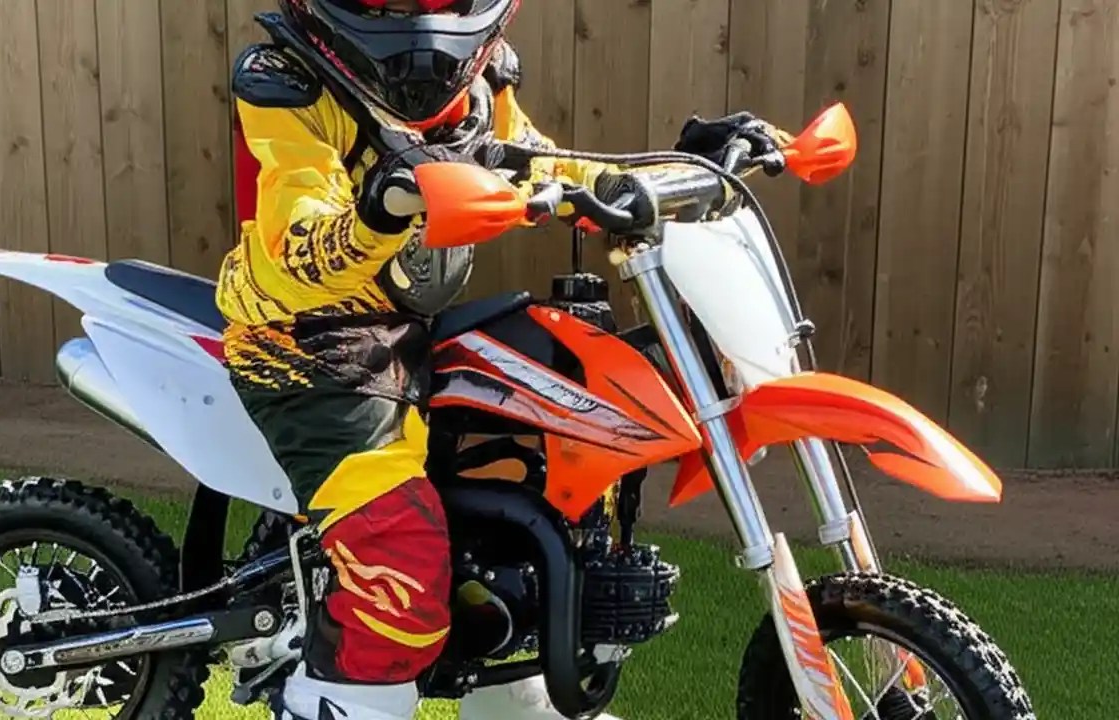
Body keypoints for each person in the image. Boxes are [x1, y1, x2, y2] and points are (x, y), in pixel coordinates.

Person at [217, 1, 783, 717]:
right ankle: (338, 699)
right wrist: (375, 215)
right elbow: (292, 240)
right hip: (309, 345)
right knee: (399, 557)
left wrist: (672, 170)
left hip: (413, 325)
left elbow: (537, 164)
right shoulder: (288, 82)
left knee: (535, 484)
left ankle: (514, 696)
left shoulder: (479, 87)